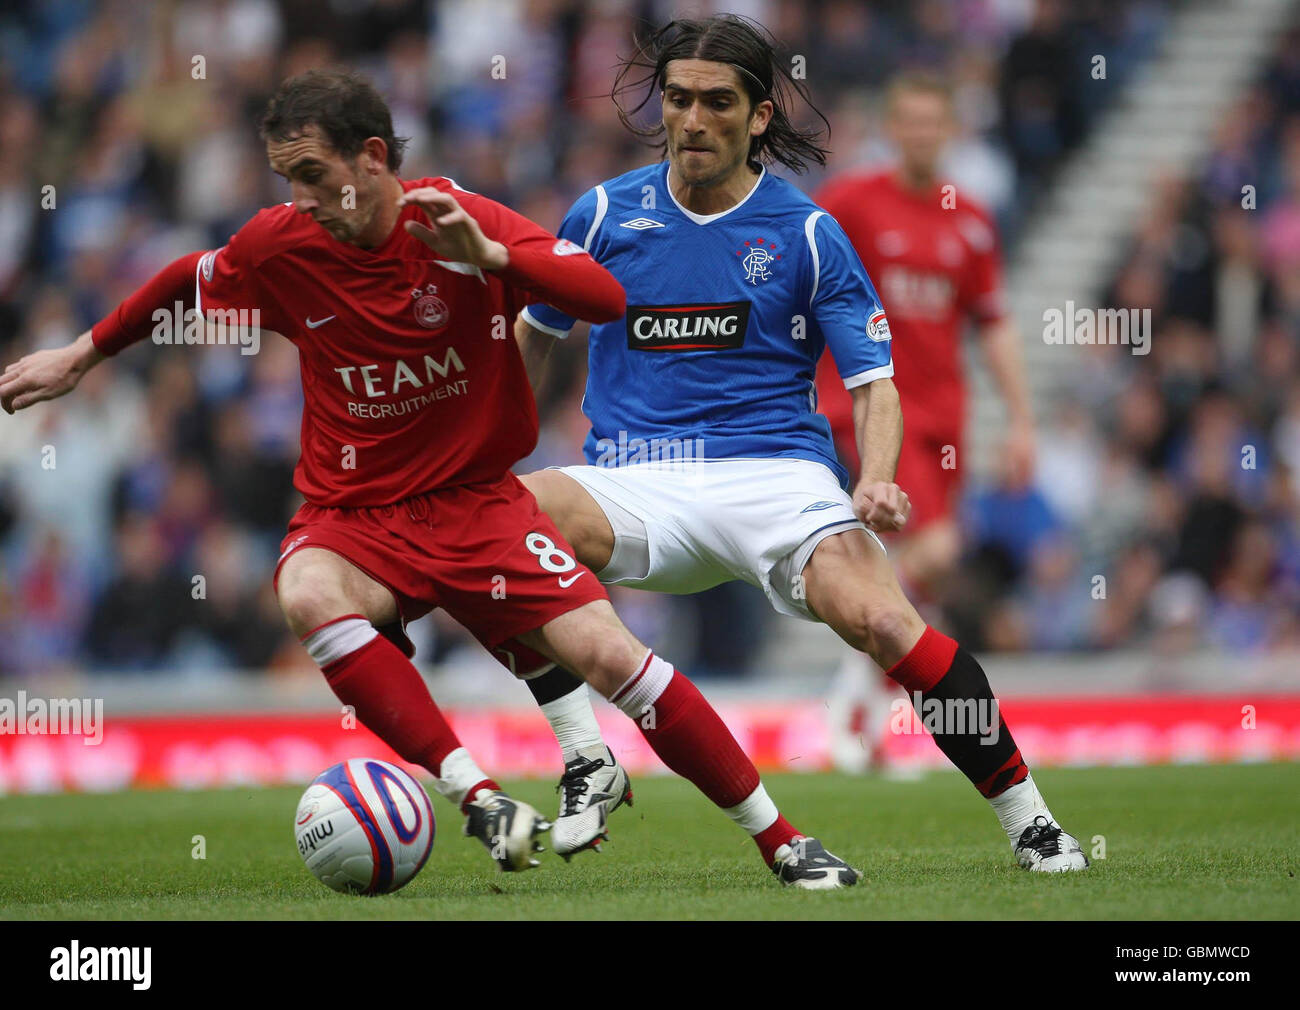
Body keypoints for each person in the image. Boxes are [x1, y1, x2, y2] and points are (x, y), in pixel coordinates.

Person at [1, 68, 856, 888]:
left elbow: (602, 297)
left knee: (612, 657)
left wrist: (490, 254)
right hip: (356, 513)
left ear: (373, 157)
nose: (298, 196)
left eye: (312, 174)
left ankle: (784, 843)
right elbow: (182, 280)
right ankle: (475, 795)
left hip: (479, 504)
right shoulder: (281, 244)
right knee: (304, 588)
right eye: (286, 178)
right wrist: (81, 355)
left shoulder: (456, 222)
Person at [512, 16, 1088, 872]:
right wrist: (489, 447)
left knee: (888, 624)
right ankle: (585, 756)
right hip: (635, 477)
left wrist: (878, 478)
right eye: (677, 99)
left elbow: (872, 383)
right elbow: (533, 333)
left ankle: (1032, 821)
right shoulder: (601, 214)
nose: (693, 120)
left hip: (777, 475)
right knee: (501, 521)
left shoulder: (807, 231)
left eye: (717, 102)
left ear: (758, 116)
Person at [812, 70, 1037, 773]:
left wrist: (1022, 420)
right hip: (875, 408)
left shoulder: (969, 219)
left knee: (922, 577)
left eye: (930, 122)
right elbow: (795, 276)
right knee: (931, 550)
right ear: (890, 127)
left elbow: (994, 325)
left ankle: (869, 719)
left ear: (950, 131)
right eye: (905, 120)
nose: (918, 133)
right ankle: (852, 692)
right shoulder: (850, 202)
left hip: (945, 418)